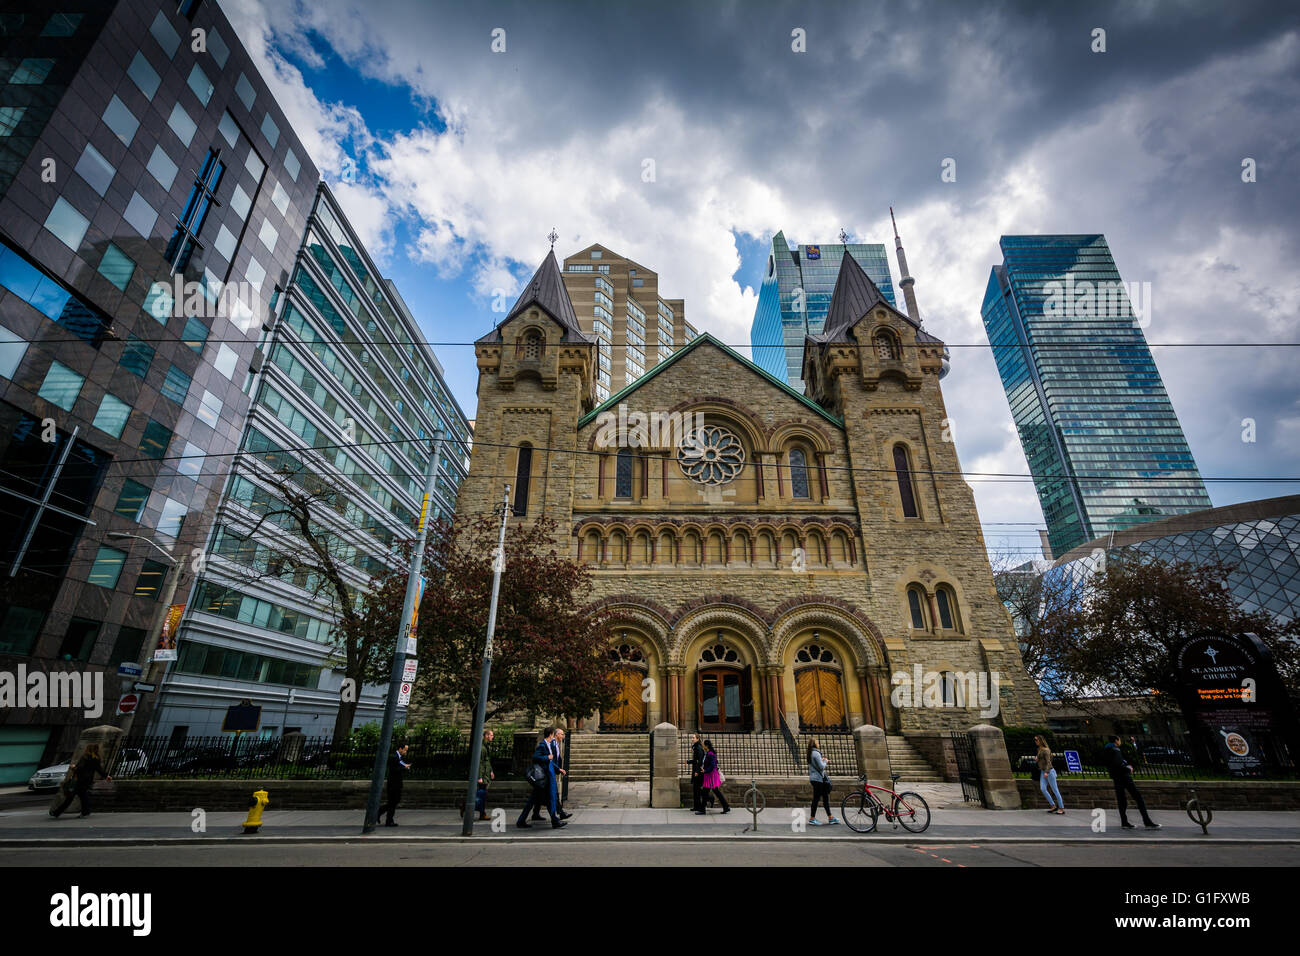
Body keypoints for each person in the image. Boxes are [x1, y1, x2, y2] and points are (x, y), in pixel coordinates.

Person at [1101, 734, 1160, 830]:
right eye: (1119, 740)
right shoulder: (1115, 750)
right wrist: (1127, 769)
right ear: (1116, 740)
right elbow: (1118, 763)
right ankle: (1147, 821)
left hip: (1116, 778)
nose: (1120, 742)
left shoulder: (1107, 750)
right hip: (1124, 777)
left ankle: (1124, 822)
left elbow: (1110, 764)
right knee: (1138, 798)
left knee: (1122, 800)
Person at [518, 727, 566, 829]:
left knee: (541, 800)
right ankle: (554, 820)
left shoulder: (548, 745)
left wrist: (558, 769)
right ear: (551, 735)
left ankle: (554, 820)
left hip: (547, 777)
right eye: (553, 734)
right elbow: (535, 757)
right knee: (543, 800)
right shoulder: (543, 745)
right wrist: (546, 757)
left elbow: (550, 762)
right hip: (542, 778)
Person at [50, 743, 111, 819]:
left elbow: (80, 768)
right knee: (82, 796)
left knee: (71, 796)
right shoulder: (96, 758)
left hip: (80, 780)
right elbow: (99, 769)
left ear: (88, 749)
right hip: (87, 780)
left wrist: (73, 767)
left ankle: (57, 812)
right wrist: (106, 776)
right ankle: (85, 812)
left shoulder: (85, 757)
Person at [531, 726, 572, 822]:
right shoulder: (551, 744)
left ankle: (536, 813)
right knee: (553, 795)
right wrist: (557, 769)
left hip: (551, 771)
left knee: (539, 795)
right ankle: (559, 814)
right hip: (548, 772)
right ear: (556, 734)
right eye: (562, 734)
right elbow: (550, 759)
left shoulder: (556, 744)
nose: (563, 736)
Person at [377, 743, 411, 827]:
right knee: (393, 802)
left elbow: (399, 766)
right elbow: (394, 769)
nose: (406, 752)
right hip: (393, 784)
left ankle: (381, 814)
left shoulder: (398, 757)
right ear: (400, 748)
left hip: (396, 784)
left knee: (394, 802)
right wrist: (404, 768)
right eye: (405, 750)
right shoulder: (394, 757)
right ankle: (387, 819)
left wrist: (405, 766)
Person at [807, 739, 838, 825]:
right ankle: (812, 819)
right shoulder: (816, 753)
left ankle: (831, 817)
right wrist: (825, 761)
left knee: (825, 798)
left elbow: (817, 764)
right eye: (817, 742)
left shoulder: (811, 753)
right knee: (816, 799)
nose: (818, 743)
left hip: (816, 779)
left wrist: (822, 760)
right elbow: (821, 767)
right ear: (814, 744)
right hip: (818, 779)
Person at [1035, 734, 1064, 815]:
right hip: (1042, 771)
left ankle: (1061, 808)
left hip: (1049, 772)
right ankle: (1053, 805)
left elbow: (1048, 762)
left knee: (1055, 790)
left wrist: (1047, 772)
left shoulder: (1046, 750)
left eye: (1036, 740)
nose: (1035, 741)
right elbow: (1042, 760)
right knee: (1043, 789)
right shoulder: (1039, 750)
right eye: (1035, 740)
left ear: (1041, 741)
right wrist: (1037, 759)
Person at [700, 739, 729, 813]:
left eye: (703, 744)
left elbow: (713, 765)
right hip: (709, 775)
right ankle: (726, 806)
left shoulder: (710, 754)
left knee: (705, 792)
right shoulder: (709, 753)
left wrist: (705, 770)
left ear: (706, 746)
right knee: (715, 792)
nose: (702, 746)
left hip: (711, 776)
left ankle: (703, 810)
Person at [476, 729, 495, 820]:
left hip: (486, 774)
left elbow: (487, 761)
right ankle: (481, 813)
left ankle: (481, 813)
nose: (492, 737)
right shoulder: (482, 747)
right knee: (482, 795)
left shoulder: (486, 746)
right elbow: (480, 763)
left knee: (483, 794)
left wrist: (491, 771)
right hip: (482, 775)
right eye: (491, 735)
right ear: (486, 736)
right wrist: (479, 777)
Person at [690, 733, 706, 814]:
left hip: (698, 771)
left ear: (697, 739)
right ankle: (696, 806)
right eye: (692, 738)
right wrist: (688, 761)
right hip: (696, 770)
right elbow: (696, 760)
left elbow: (699, 761)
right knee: (695, 789)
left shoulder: (698, 748)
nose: (692, 739)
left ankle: (699, 806)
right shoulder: (696, 747)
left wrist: (696, 771)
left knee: (697, 790)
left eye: (693, 738)